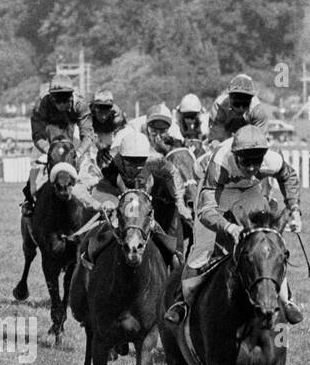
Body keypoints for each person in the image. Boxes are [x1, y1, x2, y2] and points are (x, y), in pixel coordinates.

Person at [163, 125, 303, 326]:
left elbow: (288, 176)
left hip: (249, 189)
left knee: (268, 245)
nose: (253, 168)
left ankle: (286, 300)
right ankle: (182, 302)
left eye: (257, 161)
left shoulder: (272, 160)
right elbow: (205, 213)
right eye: (246, 162)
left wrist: (295, 209)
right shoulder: (219, 164)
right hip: (217, 190)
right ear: (235, 155)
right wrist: (229, 227)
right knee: (203, 248)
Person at [77, 128, 189, 270]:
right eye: (130, 161)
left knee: (150, 223)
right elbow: (97, 185)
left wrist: (180, 203)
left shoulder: (157, 161)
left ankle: (173, 254)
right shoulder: (110, 162)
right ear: (121, 157)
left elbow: (174, 173)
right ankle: (91, 252)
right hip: (117, 195)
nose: (135, 167)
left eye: (140, 161)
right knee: (116, 221)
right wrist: (102, 203)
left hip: (143, 196)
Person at [22, 76, 94, 220]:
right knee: (35, 174)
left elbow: (88, 136)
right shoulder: (41, 105)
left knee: (91, 170)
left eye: (65, 98)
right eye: (57, 99)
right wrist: (50, 151)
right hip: (48, 138)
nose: (61, 103)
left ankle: (96, 206)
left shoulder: (80, 104)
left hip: (71, 136)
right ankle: (29, 200)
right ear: (51, 97)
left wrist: (78, 153)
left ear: (71, 95)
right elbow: (37, 136)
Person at [207, 74, 274, 144]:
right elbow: (216, 139)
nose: (241, 109)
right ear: (229, 98)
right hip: (226, 140)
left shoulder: (258, 111)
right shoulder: (219, 106)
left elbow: (262, 142)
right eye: (237, 104)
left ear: (251, 100)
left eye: (245, 104)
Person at [90, 89, 128, 175]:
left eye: (107, 110)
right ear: (94, 107)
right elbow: (85, 132)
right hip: (93, 131)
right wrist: (98, 145)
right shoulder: (87, 112)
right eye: (100, 110)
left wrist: (108, 148)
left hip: (109, 133)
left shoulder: (117, 117)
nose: (103, 116)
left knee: (108, 157)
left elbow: (121, 137)